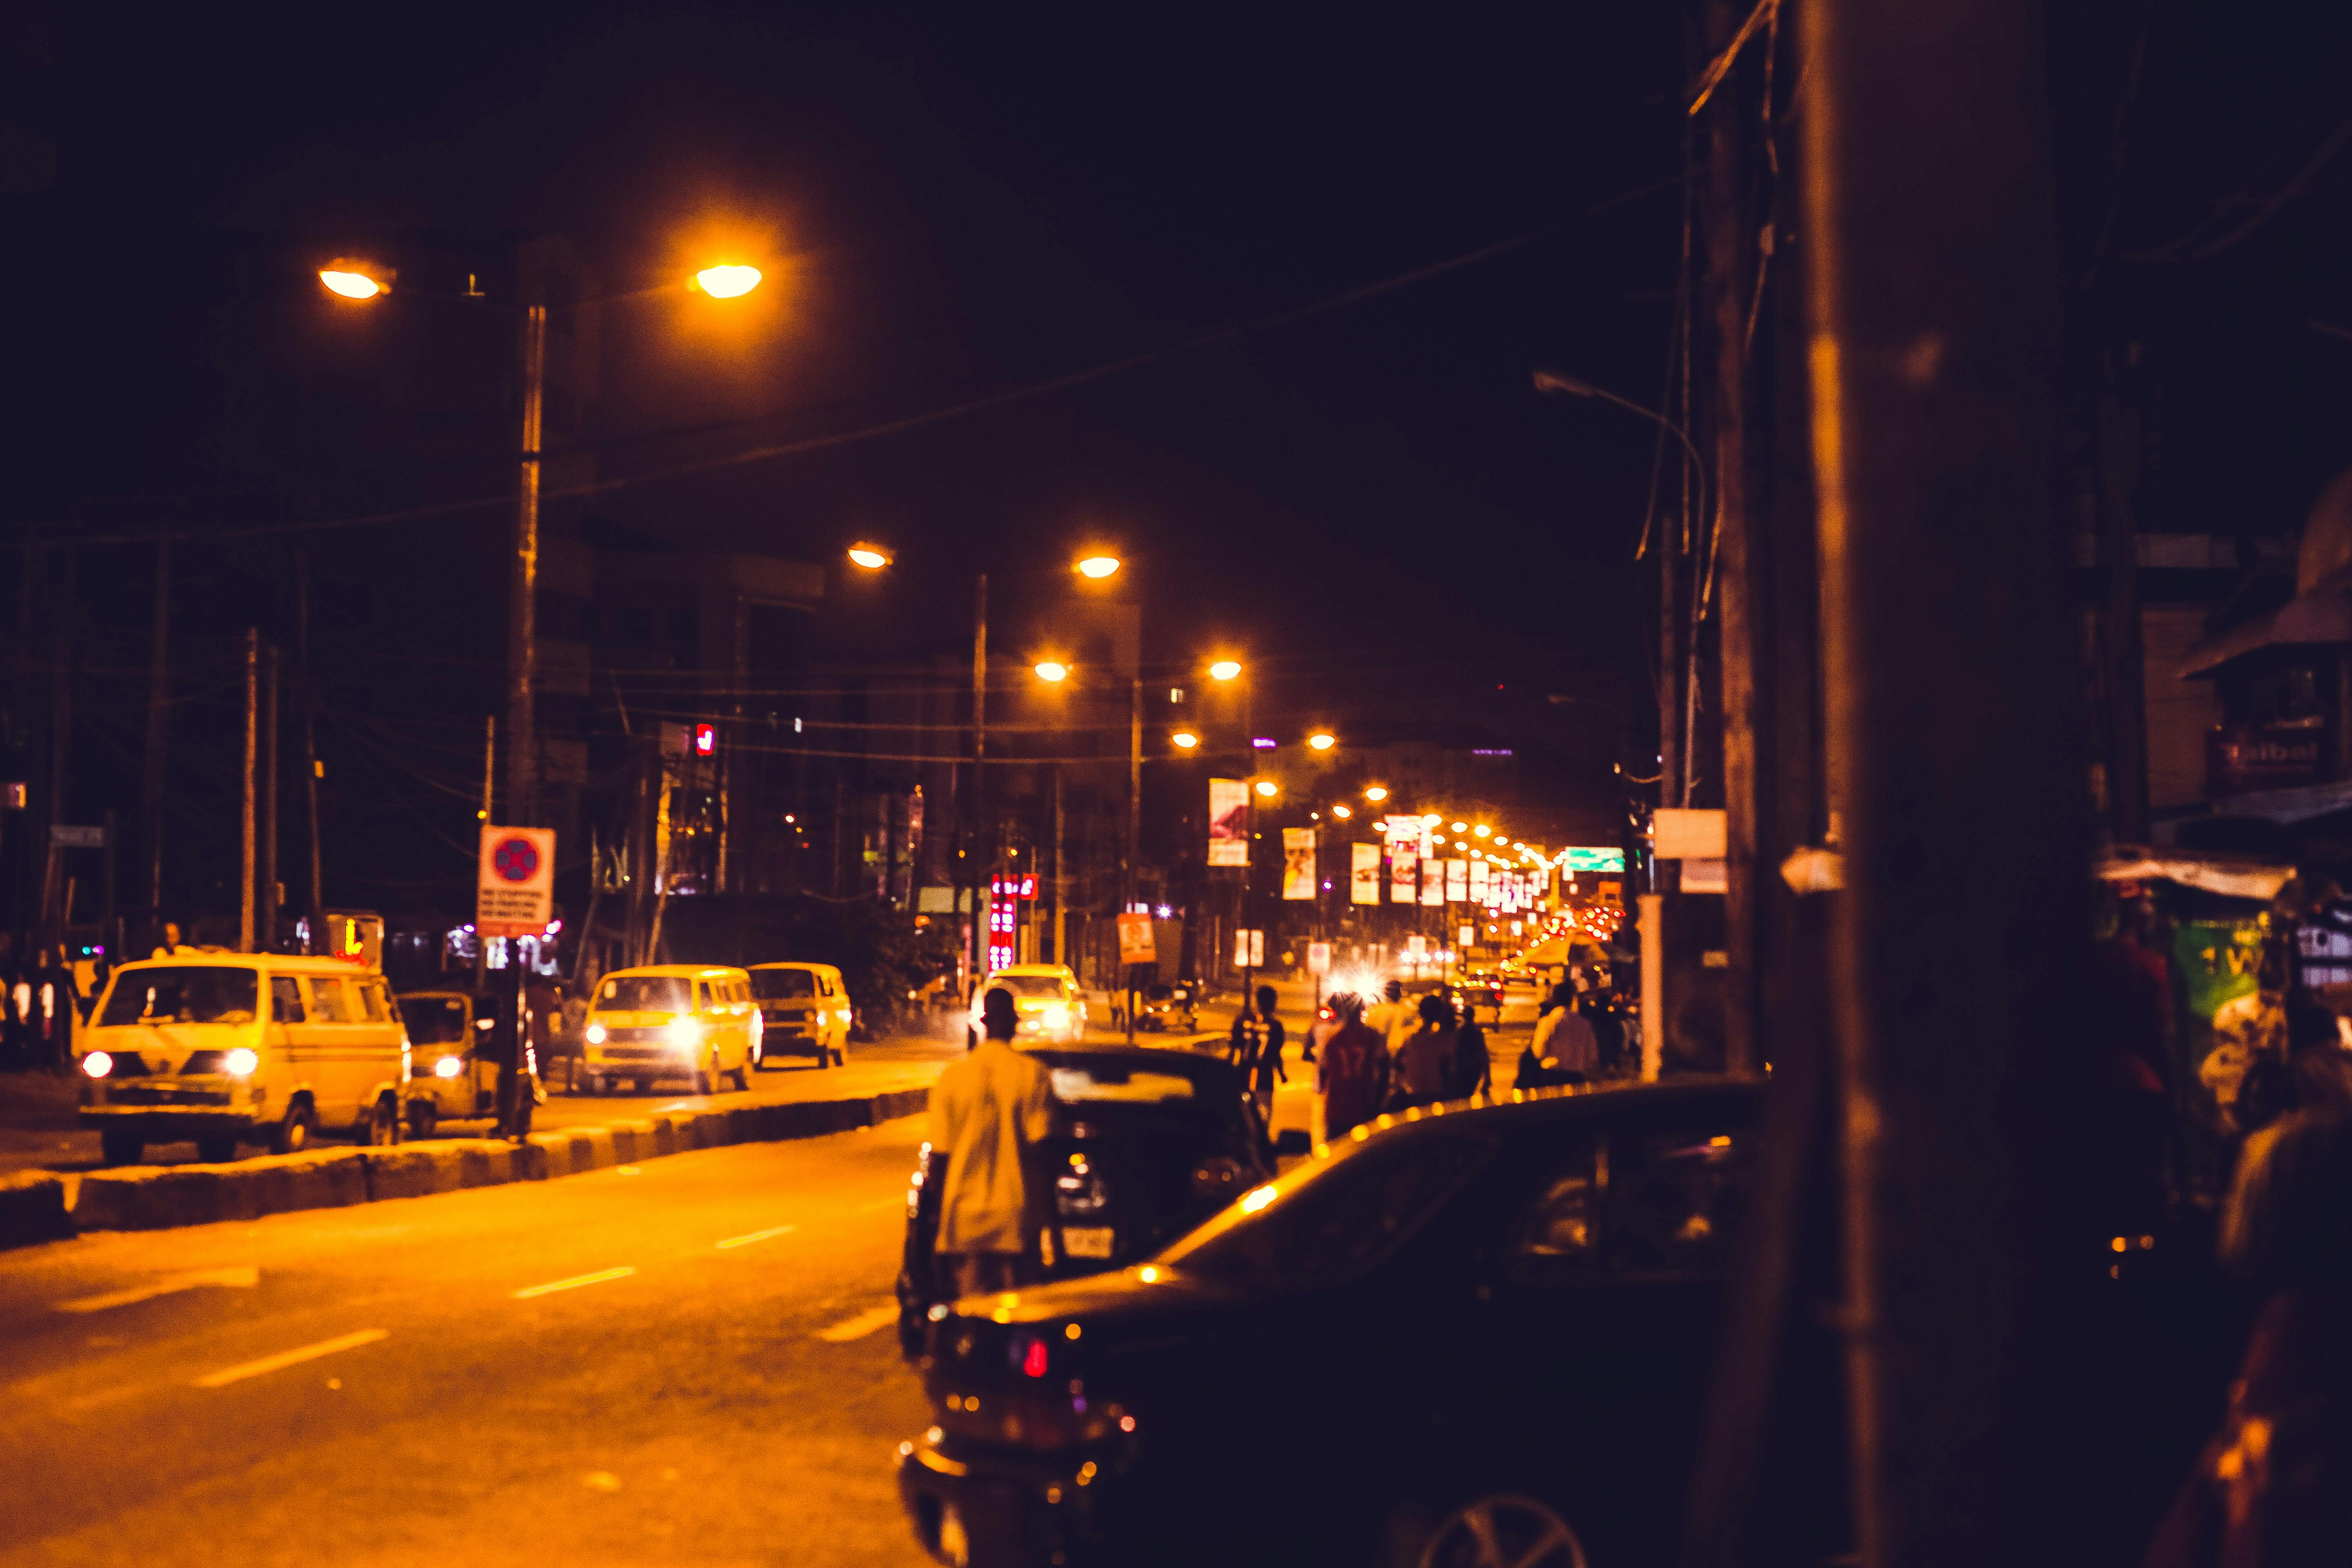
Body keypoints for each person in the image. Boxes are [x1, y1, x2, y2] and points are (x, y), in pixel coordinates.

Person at [928, 986, 1056, 1299]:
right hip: (1015, 1210)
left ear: (983, 1024)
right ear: (1014, 1024)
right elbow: (1041, 1148)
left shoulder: (953, 1078)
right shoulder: (1033, 1074)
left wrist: (936, 1220)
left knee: (970, 1306)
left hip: (964, 1213)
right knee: (1017, 1306)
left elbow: (940, 1157)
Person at [1314, 993, 1389, 1141]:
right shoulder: (1373, 1036)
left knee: (1336, 1149)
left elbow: (1323, 1071)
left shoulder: (1332, 1037)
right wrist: (1379, 1100)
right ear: (1362, 1009)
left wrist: (1323, 1090)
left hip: (1337, 1106)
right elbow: (1384, 1071)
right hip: (1364, 1104)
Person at [1229, 984, 1287, 1126]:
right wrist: (1281, 1074)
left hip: (1243, 1074)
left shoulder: (1241, 1021)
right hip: (1264, 1076)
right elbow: (1275, 1054)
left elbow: (1233, 1049)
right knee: (1263, 1117)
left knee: (1242, 1116)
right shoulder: (1276, 1025)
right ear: (1273, 1002)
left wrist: (1228, 1071)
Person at [1393, 993, 1457, 1108]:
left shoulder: (1411, 1039)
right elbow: (1448, 1069)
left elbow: (1397, 1063)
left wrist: (1405, 1082)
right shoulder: (1443, 1041)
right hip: (1436, 1093)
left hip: (1414, 1093)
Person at [1530, 997, 1598, 1086]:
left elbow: (1538, 1052)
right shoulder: (1585, 1024)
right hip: (1576, 1075)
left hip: (1552, 1074)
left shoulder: (1547, 1022)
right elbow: (1592, 1055)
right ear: (1572, 1001)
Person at [1451, 992, 1490, 1098]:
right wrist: (1487, 1077)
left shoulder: (1459, 1033)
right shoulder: (1476, 1033)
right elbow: (1483, 1054)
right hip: (1474, 1069)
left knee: (1463, 1096)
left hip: (1462, 1069)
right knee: (1468, 1094)